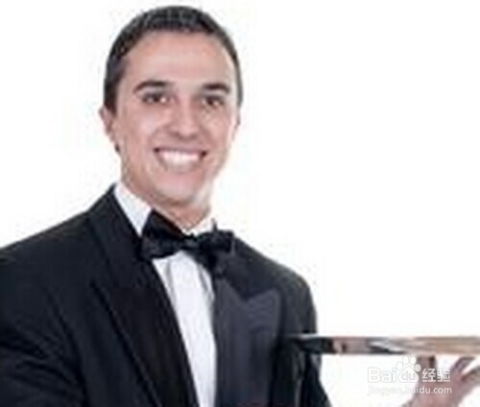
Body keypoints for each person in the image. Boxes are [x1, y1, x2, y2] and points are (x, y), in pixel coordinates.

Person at [0, 5, 478, 407]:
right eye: (156, 97)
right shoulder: (23, 281)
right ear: (110, 121)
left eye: (211, 100)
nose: (186, 125)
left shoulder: (284, 293)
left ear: (235, 124)